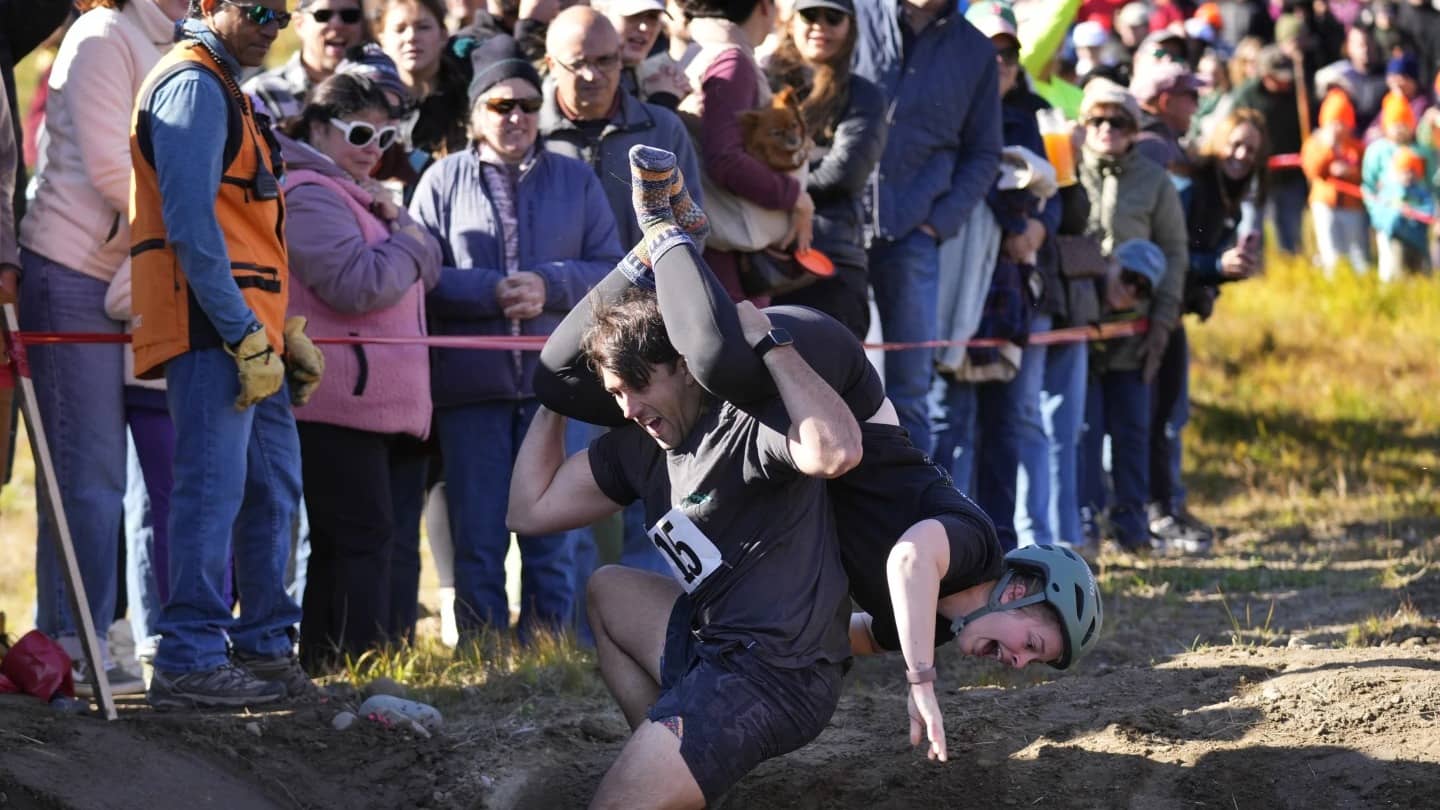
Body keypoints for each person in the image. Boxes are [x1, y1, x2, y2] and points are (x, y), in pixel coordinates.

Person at [530, 146, 1103, 770]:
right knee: (715, 362)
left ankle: (654, 253)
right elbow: (910, 560)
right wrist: (920, 681)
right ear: (1018, 590)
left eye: (1032, 663)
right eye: (1032, 643)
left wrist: (734, 637)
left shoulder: (930, 625)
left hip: (786, 419)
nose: (1017, 662)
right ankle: (667, 229)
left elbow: (844, 637)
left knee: (560, 382)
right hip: (827, 374)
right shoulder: (978, 546)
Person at [129, 0, 322, 708]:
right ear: (209, 5)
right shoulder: (192, 84)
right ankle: (188, 657)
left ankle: (265, 648)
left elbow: (240, 227)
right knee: (212, 493)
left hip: (247, 333)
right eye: (260, 9)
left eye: (284, 13)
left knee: (272, 489)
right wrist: (242, 330)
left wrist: (274, 331)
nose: (274, 24)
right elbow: (192, 229)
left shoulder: (223, 83)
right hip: (215, 329)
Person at [408, 34, 622, 644]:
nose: (517, 117)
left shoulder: (576, 180)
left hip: (558, 388)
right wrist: (490, 291)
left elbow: (613, 269)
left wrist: (550, 284)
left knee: (554, 535)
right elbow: (419, 274)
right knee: (477, 533)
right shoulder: (440, 181)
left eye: (528, 105)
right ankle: (482, 658)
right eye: (501, 105)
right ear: (475, 113)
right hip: (470, 388)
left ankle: (550, 655)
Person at [15, 0, 192, 697]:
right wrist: (201, 229)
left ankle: (97, 635)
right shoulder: (100, 34)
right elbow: (111, 167)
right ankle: (71, 641)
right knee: (86, 473)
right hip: (73, 273)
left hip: (144, 272)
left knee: (139, 476)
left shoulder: (185, 44)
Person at [276, 73, 444, 670]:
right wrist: (411, 241)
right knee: (357, 541)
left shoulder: (358, 194)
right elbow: (356, 283)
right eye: (360, 134)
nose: (374, 148)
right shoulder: (308, 193)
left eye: (386, 137)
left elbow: (423, 269)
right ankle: (353, 668)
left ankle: (337, 667)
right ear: (320, 128)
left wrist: (405, 236)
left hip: (376, 405)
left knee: (363, 543)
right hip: (337, 403)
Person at [929, 0, 1061, 552]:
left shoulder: (1032, 114)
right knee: (947, 419)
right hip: (953, 287)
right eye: (990, 51)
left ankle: (1001, 547)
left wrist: (1037, 229)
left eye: (1009, 53)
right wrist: (1006, 219)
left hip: (1009, 291)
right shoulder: (945, 107)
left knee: (1006, 423)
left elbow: (1060, 197)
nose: (1001, 62)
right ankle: (944, 541)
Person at [851, 0, 1003, 454]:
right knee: (826, 379)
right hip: (836, 229)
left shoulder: (976, 51)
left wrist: (938, 225)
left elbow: (984, 153)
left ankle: (911, 498)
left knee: (910, 394)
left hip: (914, 235)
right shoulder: (852, 16)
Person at [1076, 79, 1187, 553]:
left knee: (1132, 431)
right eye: (1097, 120)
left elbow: (1175, 252)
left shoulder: (1154, 181)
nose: (1107, 129)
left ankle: (1132, 527)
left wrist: (1162, 324)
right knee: (1081, 430)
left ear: (1133, 129)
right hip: (1078, 327)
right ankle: (1084, 525)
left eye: (1118, 122)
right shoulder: (1068, 171)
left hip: (1135, 329)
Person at [1149, 108, 1267, 555]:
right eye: (1235, 144)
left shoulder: (1228, 190)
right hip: (1153, 313)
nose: (1242, 155)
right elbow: (1170, 253)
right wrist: (1216, 264)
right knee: (1156, 418)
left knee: (1171, 416)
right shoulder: (1191, 185)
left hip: (1176, 312)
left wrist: (1225, 271)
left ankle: (1169, 505)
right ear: (1219, 142)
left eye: (1251, 150)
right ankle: (1155, 512)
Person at [674, 0, 816, 304]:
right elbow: (725, 160)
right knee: (739, 335)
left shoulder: (701, 51)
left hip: (718, 248)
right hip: (726, 257)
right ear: (764, 6)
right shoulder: (731, 61)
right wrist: (795, 197)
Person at [763, 0, 887, 340]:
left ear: (850, 28)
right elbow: (734, 161)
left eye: (833, 17)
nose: (820, 25)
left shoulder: (864, 95)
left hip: (829, 260)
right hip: (756, 256)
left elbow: (843, 175)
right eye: (809, 14)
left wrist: (772, 181)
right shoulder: (759, 81)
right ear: (791, 21)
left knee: (827, 372)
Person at [541, 6, 703, 252]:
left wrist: (644, 274)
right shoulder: (528, 134)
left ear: (619, 58)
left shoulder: (663, 130)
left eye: (604, 61)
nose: (592, 75)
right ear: (552, 64)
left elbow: (690, 229)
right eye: (579, 63)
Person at [1231, 46, 1306, 256]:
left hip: (1291, 176)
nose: (1285, 82)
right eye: (1279, 77)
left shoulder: (1298, 93)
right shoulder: (1246, 96)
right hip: (1255, 173)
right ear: (1265, 75)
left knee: (1291, 231)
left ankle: (1291, 267)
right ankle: (1250, 267)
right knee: (1251, 228)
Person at [243, 0, 370, 120]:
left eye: (350, 15)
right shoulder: (262, 95)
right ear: (299, 23)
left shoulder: (376, 90)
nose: (337, 25)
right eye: (323, 15)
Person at [1303, 90, 1370, 275]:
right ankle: (1333, 282)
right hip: (1325, 203)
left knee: (1356, 250)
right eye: (1334, 122)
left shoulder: (1356, 147)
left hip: (1352, 205)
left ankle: (1361, 282)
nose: (1338, 127)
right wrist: (1329, 148)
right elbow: (1312, 170)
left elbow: (1366, 174)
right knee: (1330, 250)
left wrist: (1350, 172)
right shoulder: (1315, 144)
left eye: (1343, 122)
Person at [1363, 90, 1423, 282]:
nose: (1400, 129)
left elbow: (1425, 185)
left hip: (1416, 222)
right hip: (1387, 218)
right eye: (1395, 124)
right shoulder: (1377, 151)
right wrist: (1377, 213)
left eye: (1404, 124)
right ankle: (1390, 293)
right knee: (1390, 261)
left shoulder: (1417, 151)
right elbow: (1368, 185)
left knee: (1417, 263)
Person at [597, 0, 691, 107]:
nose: (644, 27)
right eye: (633, 16)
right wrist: (664, 98)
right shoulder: (589, 75)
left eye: (653, 17)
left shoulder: (651, 73)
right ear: (600, 14)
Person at [1372, 145, 1434, 280]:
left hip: (1419, 242)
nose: (1408, 175)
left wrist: (1414, 213)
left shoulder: (1422, 193)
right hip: (1397, 240)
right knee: (1399, 273)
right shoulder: (1388, 192)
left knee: (1422, 274)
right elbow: (1379, 218)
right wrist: (1397, 213)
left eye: (1412, 171)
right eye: (1404, 171)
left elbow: (1429, 213)